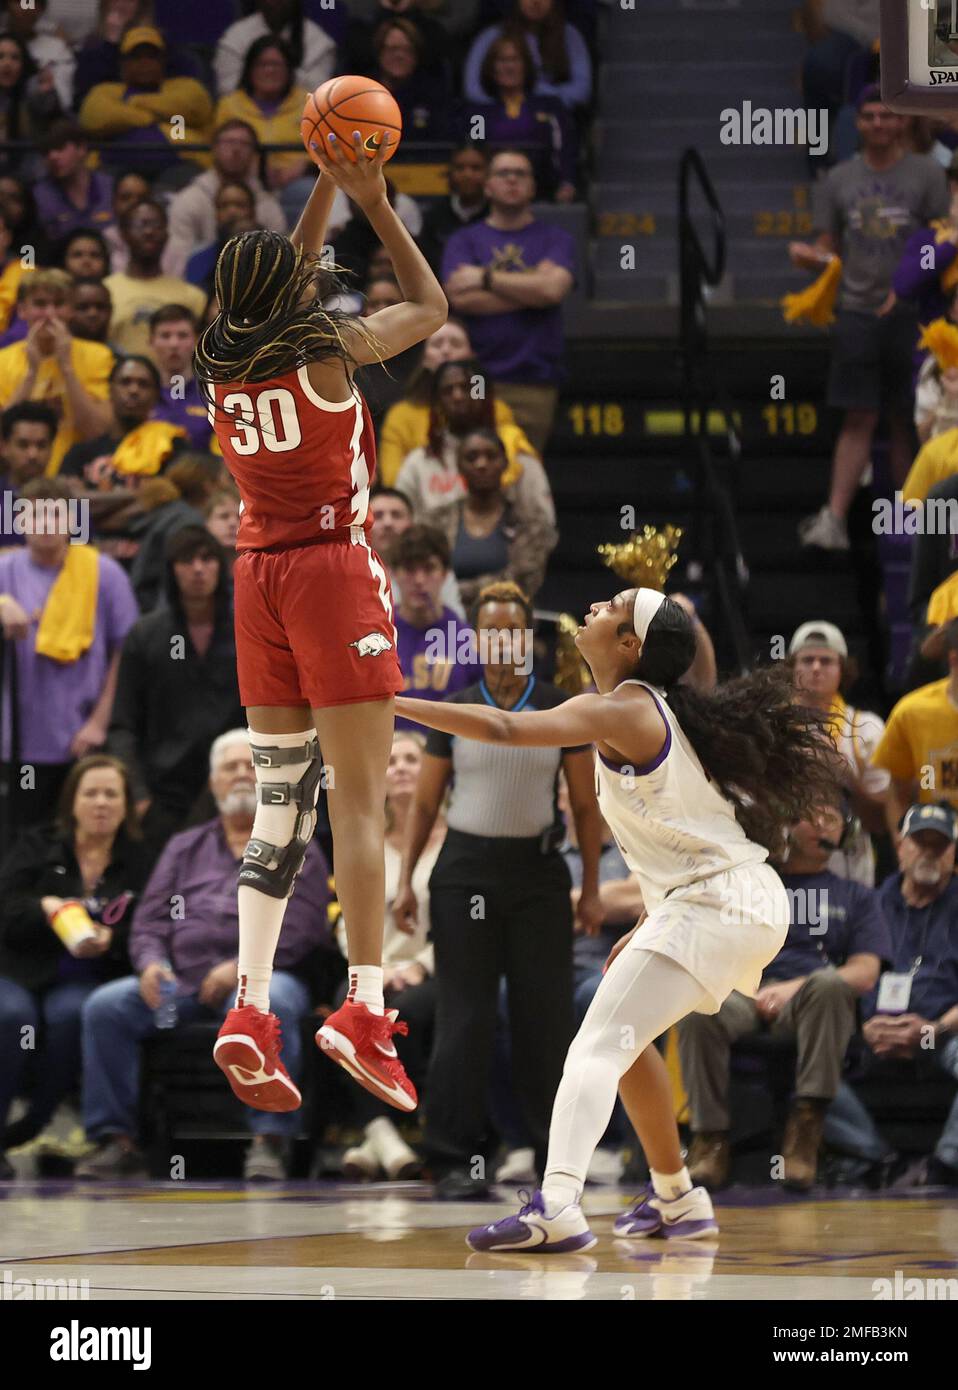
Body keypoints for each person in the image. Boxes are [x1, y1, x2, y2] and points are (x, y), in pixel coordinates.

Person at [397, 588, 841, 1248]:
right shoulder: (643, 710)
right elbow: (683, 833)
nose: (596, 602)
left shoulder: (628, 710)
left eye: (613, 605)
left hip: (722, 901)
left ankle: (557, 1206)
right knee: (626, 1044)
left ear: (631, 645)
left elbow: (507, 728)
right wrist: (650, 917)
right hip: (716, 900)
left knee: (596, 1043)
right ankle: (678, 1198)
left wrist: (385, 701)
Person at [192, 123, 447, 1116]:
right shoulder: (329, 350)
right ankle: (362, 1005)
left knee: (279, 804)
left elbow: (268, 283)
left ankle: (250, 1006)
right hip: (330, 573)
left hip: (255, 574)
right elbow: (427, 306)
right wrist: (370, 197)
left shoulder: (222, 355)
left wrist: (316, 189)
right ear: (292, 294)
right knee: (359, 802)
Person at [393, 579, 603, 1197]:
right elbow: (425, 802)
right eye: (491, 630)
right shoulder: (455, 707)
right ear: (477, 639)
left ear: (527, 639)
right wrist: (406, 882)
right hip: (464, 876)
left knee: (546, 1020)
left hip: (537, 876)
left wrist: (590, 888)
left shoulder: (563, 708)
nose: (503, 640)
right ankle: (452, 1156)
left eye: (513, 629)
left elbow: (587, 810)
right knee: (467, 1017)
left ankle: (553, 1157)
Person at [76, 729, 332, 1181]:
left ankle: (269, 1141)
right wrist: (151, 962)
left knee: (279, 1000)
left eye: (250, 766)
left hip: (259, 980)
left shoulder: (298, 844)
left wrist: (241, 968)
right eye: (228, 768)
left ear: (270, 780)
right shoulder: (184, 846)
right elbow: (151, 920)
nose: (239, 775)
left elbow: (305, 926)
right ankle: (115, 1141)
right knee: (105, 1007)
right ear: (212, 783)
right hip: (181, 982)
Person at [678, 797, 889, 1193]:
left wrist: (792, 988)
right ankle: (709, 1139)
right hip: (745, 995)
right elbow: (714, 950)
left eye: (832, 820)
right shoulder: (751, 886)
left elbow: (865, 972)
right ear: (787, 827)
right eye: (812, 818)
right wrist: (751, 988)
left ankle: (805, 1131)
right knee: (697, 1006)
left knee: (830, 984)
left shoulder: (857, 896)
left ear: (847, 833)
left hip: (810, 1005)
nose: (824, 827)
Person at [792, 87, 949, 550]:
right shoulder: (838, 179)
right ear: (856, 123)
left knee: (907, 415)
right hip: (856, 311)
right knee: (858, 415)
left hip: (915, 315)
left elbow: (943, 242)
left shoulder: (927, 175)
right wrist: (810, 259)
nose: (878, 124)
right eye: (869, 117)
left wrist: (909, 286)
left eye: (886, 116)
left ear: (901, 122)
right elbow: (828, 247)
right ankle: (834, 519)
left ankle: (910, 518)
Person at [0, 754, 147, 1179]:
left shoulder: (140, 859)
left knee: (70, 1017)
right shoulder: (37, 845)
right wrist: (43, 907)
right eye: (91, 793)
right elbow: (6, 911)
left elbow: (149, 924)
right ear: (72, 802)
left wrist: (111, 940)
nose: (100, 803)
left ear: (126, 804)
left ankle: (36, 1122)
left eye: (111, 794)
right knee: (11, 1018)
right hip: (22, 969)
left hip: (85, 975)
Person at [0, 477, 139, 843]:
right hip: (17, 738)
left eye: (55, 515)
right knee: (20, 842)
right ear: (19, 522)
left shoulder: (103, 572)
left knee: (75, 839)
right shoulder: (6, 573)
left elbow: (125, 652)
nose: (45, 524)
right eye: (35, 515)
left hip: (81, 736)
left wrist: (98, 722)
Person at [831, 802, 958, 1187]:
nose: (929, 853)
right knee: (804, 1058)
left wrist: (932, 1028)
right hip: (872, 1034)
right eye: (920, 842)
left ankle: (946, 1165)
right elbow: (844, 974)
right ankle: (878, 1158)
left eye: (940, 845)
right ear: (900, 847)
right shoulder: (869, 903)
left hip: (944, 1032)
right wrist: (864, 1025)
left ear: (955, 854)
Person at [338, 729, 443, 1182]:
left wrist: (420, 966)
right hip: (374, 968)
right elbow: (345, 919)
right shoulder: (363, 837)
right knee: (350, 1012)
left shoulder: (454, 838)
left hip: (439, 968)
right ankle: (382, 1132)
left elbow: (467, 920)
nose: (399, 767)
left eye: (410, 760)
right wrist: (372, 968)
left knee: (406, 1011)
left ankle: (377, 1139)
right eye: (390, 760)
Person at [109, 526, 243, 864]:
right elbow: (122, 724)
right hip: (161, 796)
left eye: (207, 558)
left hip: (236, 789)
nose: (198, 568)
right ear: (171, 569)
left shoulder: (247, 630)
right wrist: (137, 796)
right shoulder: (145, 635)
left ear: (221, 566)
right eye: (186, 560)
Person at [442, 148, 576, 455]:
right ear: (487, 185)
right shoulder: (463, 240)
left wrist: (486, 279)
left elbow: (552, 291)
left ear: (533, 186)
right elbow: (460, 297)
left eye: (521, 174)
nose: (512, 180)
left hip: (534, 381)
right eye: (503, 173)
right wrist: (531, 290)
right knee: (472, 470)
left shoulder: (556, 238)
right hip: (473, 380)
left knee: (523, 474)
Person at [394, 355, 555, 528]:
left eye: (468, 388)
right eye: (448, 390)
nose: (457, 396)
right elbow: (401, 525)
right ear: (438, 402)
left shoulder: (515, 451)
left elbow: (543, 523)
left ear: (484, 395)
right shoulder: (419, 462)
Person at [788, 620, 889, 885]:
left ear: (843, 670)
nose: (816, 668)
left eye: (826, 661)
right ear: (792, 668)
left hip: (850, 871)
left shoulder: (867, 728)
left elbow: (881, 822)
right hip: (785, 872)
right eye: (807, 660)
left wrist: (846, 775)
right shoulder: (771, 727)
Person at [0, 269, 114, 475]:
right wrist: (31, 373)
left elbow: (97, 432)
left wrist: (67, 367)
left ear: (70, 310)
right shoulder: (2, 360)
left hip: (75, 478)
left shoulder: (99, 356)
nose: (50, 314)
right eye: (40, 304)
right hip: (16, 482)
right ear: (22, 310)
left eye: (59, 304)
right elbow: (2, 437)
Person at [429, 427, 557, 605]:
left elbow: (521, 580)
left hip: (508, 624)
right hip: (445, 625)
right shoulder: (436, 520)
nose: (481, 464)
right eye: (471, 457)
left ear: (505, 462)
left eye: (491, 456)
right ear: (459, 466)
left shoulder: (529, 521)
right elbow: (425, 577)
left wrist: (454, 592)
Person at [79, 26, 212, 176]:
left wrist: (136, 102)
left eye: (151, 56)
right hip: (114, 167)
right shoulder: (106, 91)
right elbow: (93, 118)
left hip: (178, 165)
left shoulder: (184, 85)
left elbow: (193, 106)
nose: (145, 63)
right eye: (136, 57)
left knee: (178, 125)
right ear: (124, 63)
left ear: (163, 61)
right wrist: (152, 117)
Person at [165, 122, 288, 282]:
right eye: (229, 142)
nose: (236, 150)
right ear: (214, 149)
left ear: (254, 153)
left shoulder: (268, 206)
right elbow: (178, 261)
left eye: (244, 144)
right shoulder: (188, 201)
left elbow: (281, 261)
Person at [389, 523, 479, 732]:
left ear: (446, 574)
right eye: (410, 570)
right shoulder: (377, 635)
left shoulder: (467, 640)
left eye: (429, 568)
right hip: (389, 758)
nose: (419, 580)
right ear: (393, 573)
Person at [467, 32, 577, 203]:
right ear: (492, 69)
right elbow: (476, 153)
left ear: (526, 66)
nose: (509, 67)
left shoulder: (549, 107)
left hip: (543, 194)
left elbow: (563, 150)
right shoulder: (480, 115)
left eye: (515, 60)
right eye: (502, 60)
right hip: (492, 198)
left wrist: (566, 183)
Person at [871, 618, 958, 830]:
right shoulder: (912, 711)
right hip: (934, 849)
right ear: (954, 658)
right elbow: (897, 793)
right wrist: (903, 847)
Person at [213, 36, 312, 218]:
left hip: (295, 182)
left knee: (311, 192)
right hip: (243, 180)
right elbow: (219, 151)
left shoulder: (310, 104)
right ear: (249, 69)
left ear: (289, 70)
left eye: (277, 65)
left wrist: (305, 165)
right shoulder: (229, 105)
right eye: (262, 64)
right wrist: (252, 167)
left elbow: (326, 148)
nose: (269, 71)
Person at [59, 355, 187, 490]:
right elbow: (63, 504)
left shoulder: (170, 447)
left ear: (156, 395)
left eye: (143, 384)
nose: (133, 390)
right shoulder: (80, 454)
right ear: (110, 390)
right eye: (125, 382)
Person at [103, 202, 207, 359]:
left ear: (167, 234)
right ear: (123, 234)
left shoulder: (193, 296)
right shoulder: (105, 291)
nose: (149, 232)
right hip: (124, 380)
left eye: (156, 225)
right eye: (140, 225)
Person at [464, 0, 593, 111]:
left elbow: (582, 89)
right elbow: (473, 89)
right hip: (499, 118)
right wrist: (501, 108)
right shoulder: (493, 36)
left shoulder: (569, 36)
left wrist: (540, 98)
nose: (535, 2)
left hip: (550, 117)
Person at [369, 483, 465, 619]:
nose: (388, 523)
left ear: (411, 522)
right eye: (378, 516)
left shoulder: (435, 566)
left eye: (396, 515)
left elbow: (456, 622)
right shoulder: (347, 570)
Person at [214, 0, 335, 98]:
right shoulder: (235, 37)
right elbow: (227, 90)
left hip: (299, 119)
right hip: (245, 117)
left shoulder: (319, 41)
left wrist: (284, 77)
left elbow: (320, 95)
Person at [33, 122, 114, 246]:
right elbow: (28, 246)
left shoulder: (110, 188)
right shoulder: (38, 196)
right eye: (46, 152)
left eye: (60, 147)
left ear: (81, 148)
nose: (52, 156)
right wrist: (28, 265)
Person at [418, 145, 491, 278]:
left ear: (488, 173)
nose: (467, 175)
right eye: (460, 168)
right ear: (449, 173)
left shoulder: (497, 213)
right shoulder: (434, 215)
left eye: (476, 168)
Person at [0, 33, 63, 181]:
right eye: (0, 57)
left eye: (15, 58)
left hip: (27, 180)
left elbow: (51, 113)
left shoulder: (33, 94)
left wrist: (48, 94)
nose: (7, 63)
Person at [148, 306, 212, 451]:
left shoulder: (212, 394)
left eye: (182, 335)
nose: (174, 344)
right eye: (165, 336)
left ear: (196, 341)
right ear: (151, 341)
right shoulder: (138, 393)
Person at [184, 181, 258, 298]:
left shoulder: (275, 256)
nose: (232, 212)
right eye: (224, 206)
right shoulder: (198, 261)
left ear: (253, 212)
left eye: (240, 205)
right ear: (216, 214)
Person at [0, 0, 75, 110]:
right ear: (6, 5)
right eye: (18, 1)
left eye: (31, 2)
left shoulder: (57, 49)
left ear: (40, 7)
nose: (25, 8)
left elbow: (64, 101)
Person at [0, 402, 56, 548]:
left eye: (41, 445)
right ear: (4, 448)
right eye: (23, 445)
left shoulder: (71, 504)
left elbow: (83, 562)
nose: (33, 455)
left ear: (51, 449)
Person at [68, 280, 114, 348]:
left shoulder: (120, 356)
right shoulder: (52, 354)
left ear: (110, 311)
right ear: (68, 311)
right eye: (83, 307)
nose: (93, 314)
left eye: (100, 307)